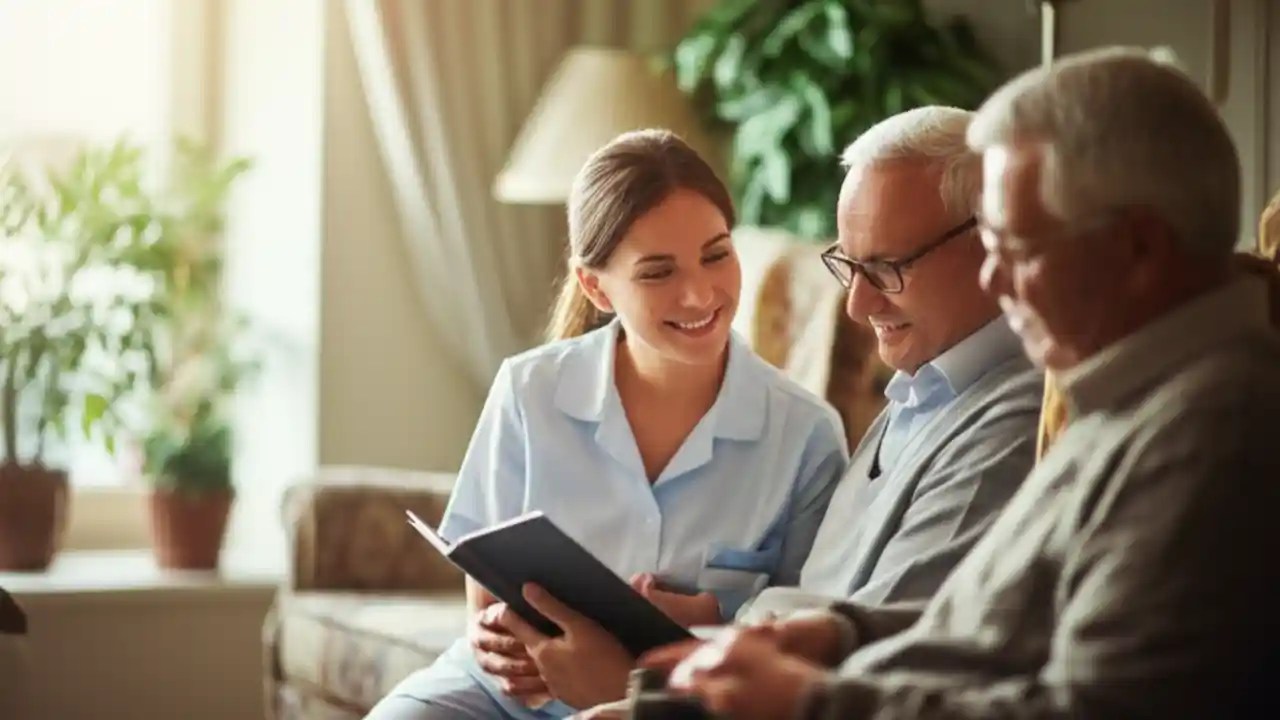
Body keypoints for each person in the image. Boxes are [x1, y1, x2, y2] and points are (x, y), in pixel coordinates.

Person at [642, 47, 1280, 720]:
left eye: (1018, 253)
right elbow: (1012, 624)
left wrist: (810, 704)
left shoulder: (1218, 433)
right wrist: (841, 636)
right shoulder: (1129, 396)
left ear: (1138, 248)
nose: (995, 284)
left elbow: (1098, 706)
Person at [499, 106, 1044, 717]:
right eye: (849, 266)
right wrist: (704, 630)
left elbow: (884, 664)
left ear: (992, 243)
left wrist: (633, 690)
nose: (856, 308)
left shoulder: (1007, 424)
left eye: (886, 269)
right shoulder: (921, 390)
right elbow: (826, 607)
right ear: (598, 288)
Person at [365, 129, 848, 720]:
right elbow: (482, 567)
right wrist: (495, 638)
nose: (699, 294)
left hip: (673, 708)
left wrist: (710, 623)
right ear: (596, 285)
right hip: (501, 699)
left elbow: (812, 628)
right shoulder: (529, 391)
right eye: (657, 272)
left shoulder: (805, 436)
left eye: (716, 255)